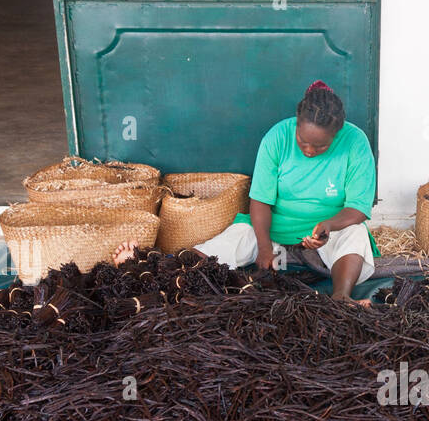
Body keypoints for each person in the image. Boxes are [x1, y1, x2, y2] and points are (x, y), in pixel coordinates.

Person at [114, 81, 378, 300]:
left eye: (319, 147)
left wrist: (329, 226)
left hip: (327, 233)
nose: (309, 151)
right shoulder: (277, 137)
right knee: (231, 241)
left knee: (355, 235)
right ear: (296, 124)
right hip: (273, 230)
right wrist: (264, 248)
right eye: (302, 141)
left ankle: (341, 296)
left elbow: (358, 208)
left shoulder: (355, 143)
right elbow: (260, 201)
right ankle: (146, 266)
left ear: (337, 134)